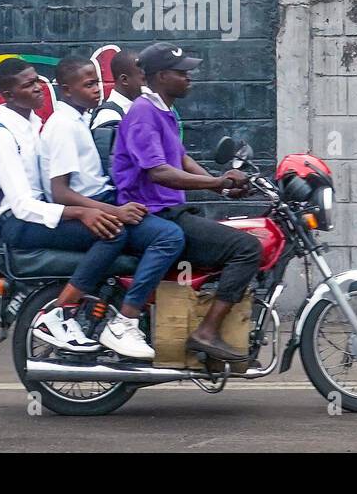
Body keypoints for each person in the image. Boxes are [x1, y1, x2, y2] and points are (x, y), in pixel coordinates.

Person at [110, 43, 260, 363]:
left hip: (170, 210)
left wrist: (220, 187)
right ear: (162, 76)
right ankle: (206, 332)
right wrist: (216, 182)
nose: (189, 77)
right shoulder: (142, 113)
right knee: (247, 248)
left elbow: (180, 157)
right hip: (155, 213)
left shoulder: (162, 111)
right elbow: (159, 172)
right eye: (182, 73)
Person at [42, 56, 184, 360]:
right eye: (89, 84)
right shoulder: (63, 126)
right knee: (168, 237)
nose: (98, 90)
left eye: (98, 82)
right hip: (97, 207)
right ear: (66, 90)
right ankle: (120, 322)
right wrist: (113, 213)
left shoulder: (79, 120)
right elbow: (60, 192)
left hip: (106, 202)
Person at [0, 58, 126, 354]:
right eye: (28, 85)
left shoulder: (34, 124)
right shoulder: (1, 137)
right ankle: (60, 312)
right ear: (8, 95)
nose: (39, 88)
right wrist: (82, 212)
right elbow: (22, 205)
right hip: (21, 225)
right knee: (113, 232)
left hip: (42, 215)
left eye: (37, 80)